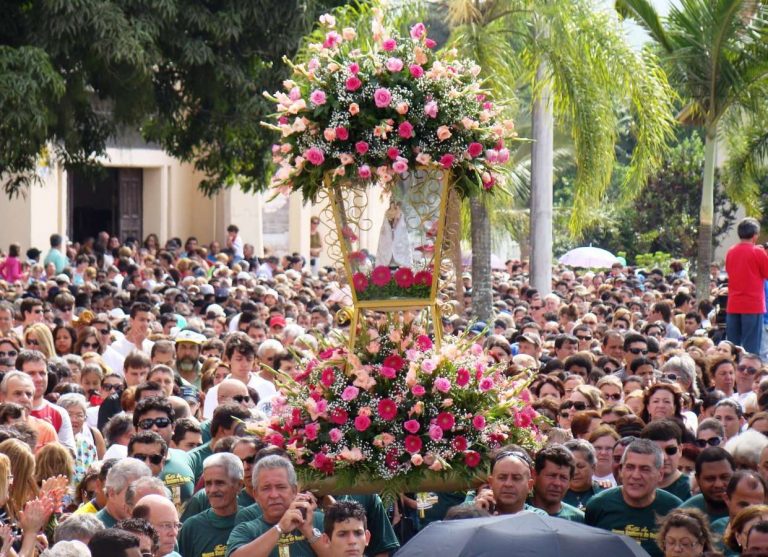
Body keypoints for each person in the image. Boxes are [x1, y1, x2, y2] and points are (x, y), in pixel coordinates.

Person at [585, 439, 682, 557]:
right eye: (630, 467)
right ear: (621, 470)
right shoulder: (598, 505)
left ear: (660, 474)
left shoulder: (674, 509)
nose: (636, 475)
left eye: (645, 469)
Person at [226, 455, 326, 557]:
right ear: (256, 494)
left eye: (281, 487)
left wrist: (309, 532)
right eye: (266, 488)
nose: (274, 495)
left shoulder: (318, 520)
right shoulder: (246, 530)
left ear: (294, 491)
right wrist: (279, 528)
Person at [178, 453, 243, 557]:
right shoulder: (192, 527)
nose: (212, 490)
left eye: (220, 483)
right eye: (208, 483)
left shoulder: (251, 520)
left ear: (239, 485)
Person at [725, 217, 768, 355]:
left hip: (733, 304)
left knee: (733, 348)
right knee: (751, 349)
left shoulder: (731, 251)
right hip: (753, 305)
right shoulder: (758, 252)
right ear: (755, 235)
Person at [471, 447, 547, 516]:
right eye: (502, 477)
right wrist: (476, 515)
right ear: (491, 483)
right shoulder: (472, 509)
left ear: (529, 485)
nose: (508, 484)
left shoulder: (538, 517)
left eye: (516, 478)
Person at [709, 470, 767, 550]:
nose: (750, 512)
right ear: (727, 499)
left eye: (756, 506)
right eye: (744, 505)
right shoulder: (717, 530)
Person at [530, 445, 584, 522]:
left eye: (563, 478)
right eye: (551, 476)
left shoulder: (578, 520)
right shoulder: (517, 511)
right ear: (534, 476)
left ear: (570, 482)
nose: (557, 483)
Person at [640, 419, 692, 501]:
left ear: (680, 450)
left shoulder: (691, 489)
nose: (664, 457)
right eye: (656, 450)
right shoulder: (635, 486)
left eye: (670, 450)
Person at [680, 447, 735, 522]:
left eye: (725, 477)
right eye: (710, 479)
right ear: (697, 479)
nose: (718, 485)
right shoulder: (684, 516)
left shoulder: (751, 506)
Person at [95, 458, 152, 527]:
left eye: (147, 495)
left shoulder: (150, 525)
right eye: (132, 493)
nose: (141, 501)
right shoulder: (95, 530)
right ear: (112, 494)